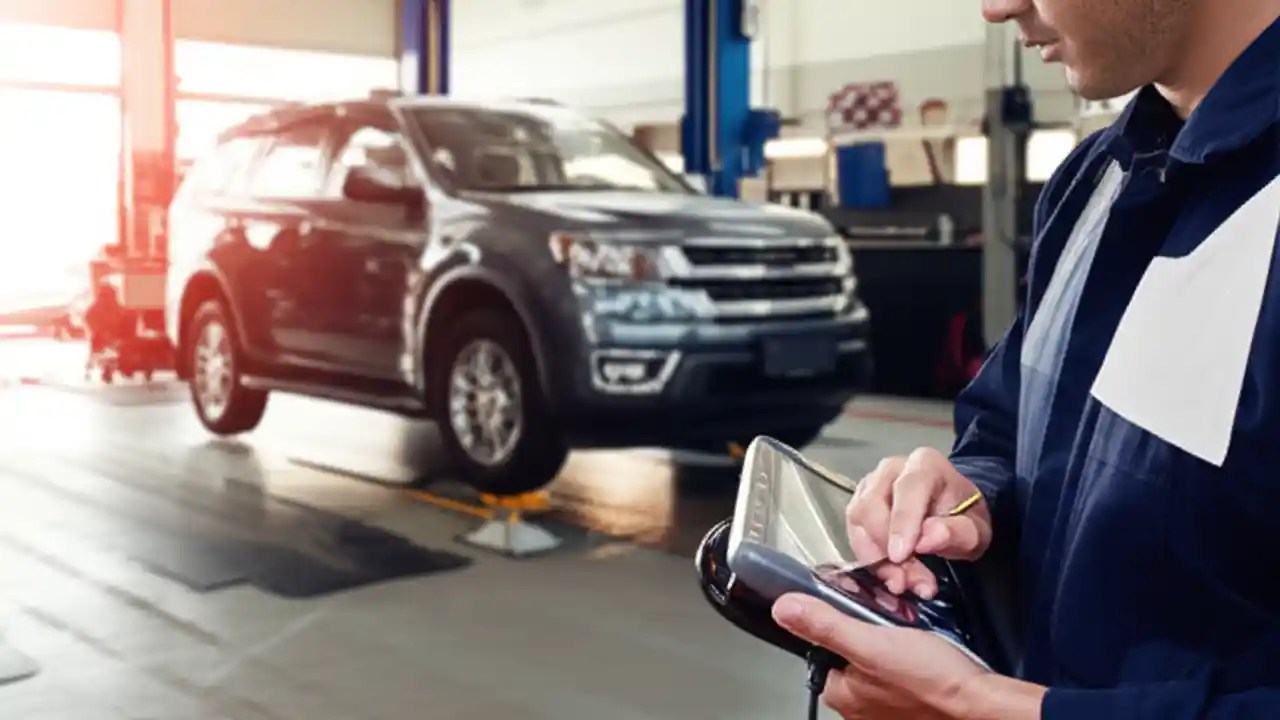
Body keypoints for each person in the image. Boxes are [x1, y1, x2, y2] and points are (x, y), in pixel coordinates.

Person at [770, 1, 1280, 718]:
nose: (998, 6)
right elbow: (1008, 428)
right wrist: (972, 502)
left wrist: (986, 708)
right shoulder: (1094, 182)